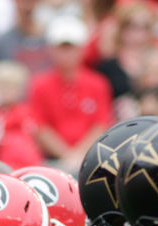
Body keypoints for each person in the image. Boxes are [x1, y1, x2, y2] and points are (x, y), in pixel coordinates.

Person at [29, 14, 113, 173]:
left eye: (71, 47)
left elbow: (101, 124)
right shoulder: (39, 85)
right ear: (51, 50)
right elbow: (40, 127)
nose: (66, 54)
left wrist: (78, 155)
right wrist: (68, 155)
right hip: (52, 160)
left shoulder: (98, 83)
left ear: (81, 49)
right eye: (62, 48)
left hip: (90, 159)